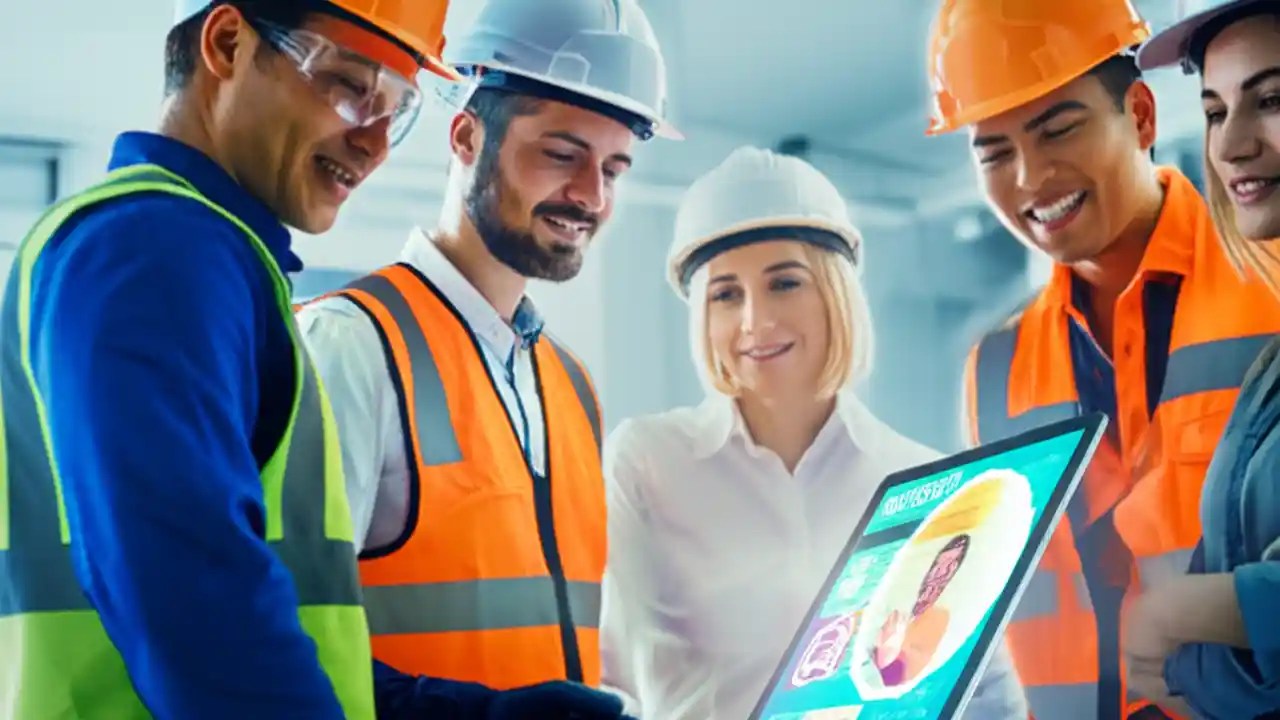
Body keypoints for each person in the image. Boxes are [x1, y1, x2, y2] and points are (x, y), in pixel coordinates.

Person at [0, 0, 457, 718]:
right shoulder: (154, 250)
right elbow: (200, 615)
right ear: (227, 43)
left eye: (396, 113)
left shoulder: (197, 256)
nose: (375, 145)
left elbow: (268, 629)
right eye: (350, 87)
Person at [294, 0, 678, 716]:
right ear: (467, 135)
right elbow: (287, 646)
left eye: (614, 169)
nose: (591, 196)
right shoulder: (352, 345)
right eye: (562, 154)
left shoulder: (571, 385)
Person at [926, 0, 1280, 718]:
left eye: (1058, 129)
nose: (1031, 177)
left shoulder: (1271, 277)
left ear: (1142, 117)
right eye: (994, 153)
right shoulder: (991, 371)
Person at [597, 145, 1028, 719]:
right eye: (726, 294)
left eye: (784, 283)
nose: (755, 321)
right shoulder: (648, 462)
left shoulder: (924, 480)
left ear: (834, 293)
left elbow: (987, 691)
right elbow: (606, 675)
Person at [1116, 3, 1280, 717]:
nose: (1232, 145)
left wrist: (1176, 614)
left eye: (1271, 100)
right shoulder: (1270, 372)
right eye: (1215, 112)